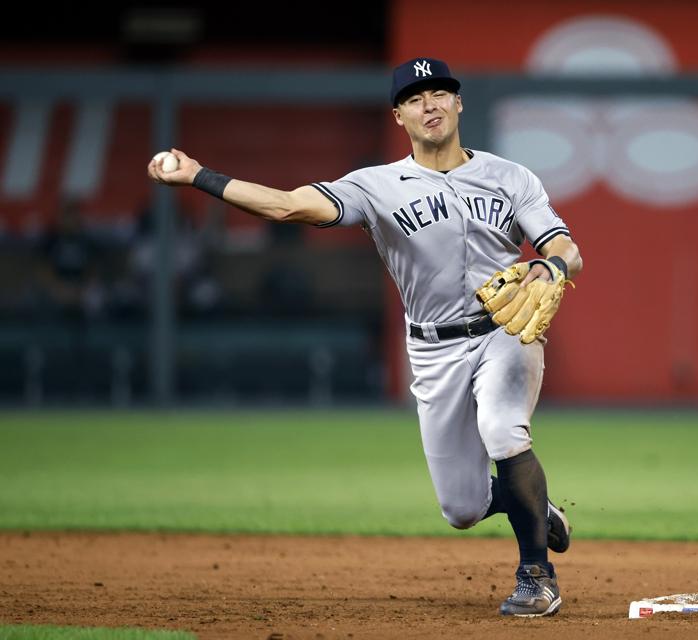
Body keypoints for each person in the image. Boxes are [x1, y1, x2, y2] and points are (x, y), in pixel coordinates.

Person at [147, 57, 583, 617]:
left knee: (504, 431)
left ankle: (536, 576)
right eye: (416, 97)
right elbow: (286, 205)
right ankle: (535, 506)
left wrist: (551, 268)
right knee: (462, 508)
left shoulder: (511, 176)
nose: (430, 104)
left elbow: (565, 246)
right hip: (434, 348)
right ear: (399, 115)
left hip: (507, 332)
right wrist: (199, 175)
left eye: (440, 93)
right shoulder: (376, 186)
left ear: (459, 103)